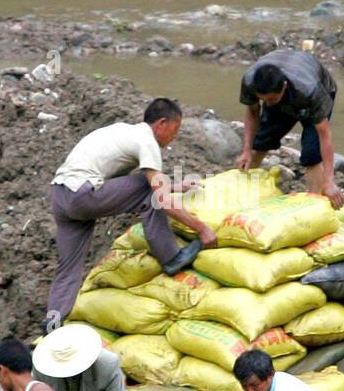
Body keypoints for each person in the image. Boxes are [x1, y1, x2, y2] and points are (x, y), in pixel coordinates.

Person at [46, 98, 217, 325]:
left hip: (61, 196)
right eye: (175, 130)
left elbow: (121, 187)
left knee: (68, 269)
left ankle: (53, 323)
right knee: (149, 189)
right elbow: (160, 197)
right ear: (161, 123)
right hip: (83, 194)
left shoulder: (123, 132)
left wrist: (173, 186)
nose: (174, 137)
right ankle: (171, 257)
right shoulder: (147, 141)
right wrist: (202, 228)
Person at [237, 48, 344, 209]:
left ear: (284, 87)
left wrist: (329, 181)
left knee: (311, 155)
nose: (268, 103)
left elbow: (324, 134)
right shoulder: (250, 82)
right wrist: (246, 149)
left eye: (272, 99)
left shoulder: (311, 91)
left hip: (313, 92)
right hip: (285, 81)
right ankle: (245, 192)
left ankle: (314, 203)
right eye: (263, 100)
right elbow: (253, 112)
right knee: (259, 143)